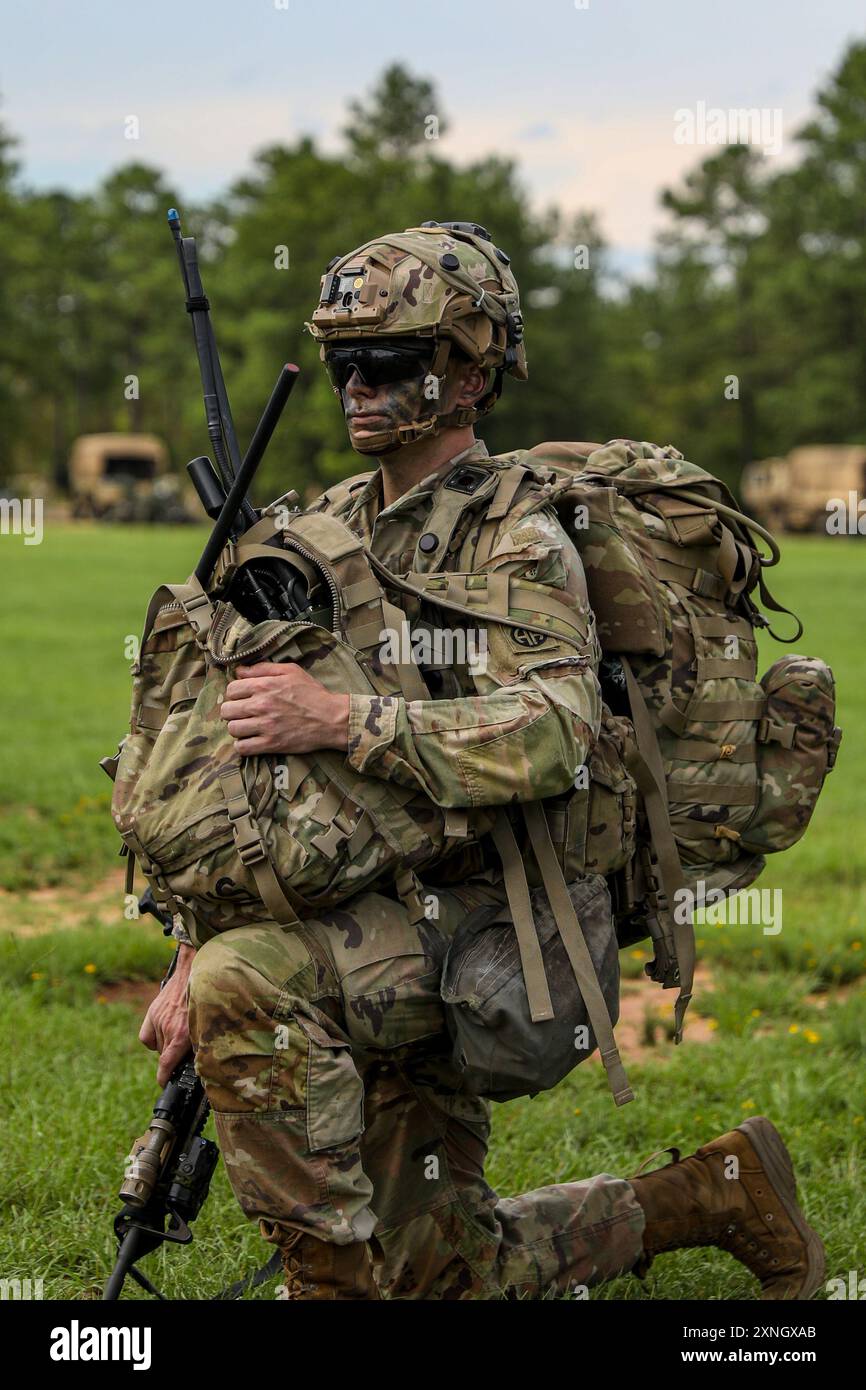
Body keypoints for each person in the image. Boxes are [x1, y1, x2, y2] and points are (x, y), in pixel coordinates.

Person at [140, 222, 824, 1301]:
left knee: (248, 984)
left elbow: (553, 730)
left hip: (488, 929)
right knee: (439, 1272)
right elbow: (239, 766)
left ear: (469, 370)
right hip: (363, 908)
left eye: (391, 363)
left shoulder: (514, 534)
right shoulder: (319, 525)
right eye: (341, 365)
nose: (357, 388)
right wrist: (188, 938)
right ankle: (712, 1192)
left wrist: (342, 719)